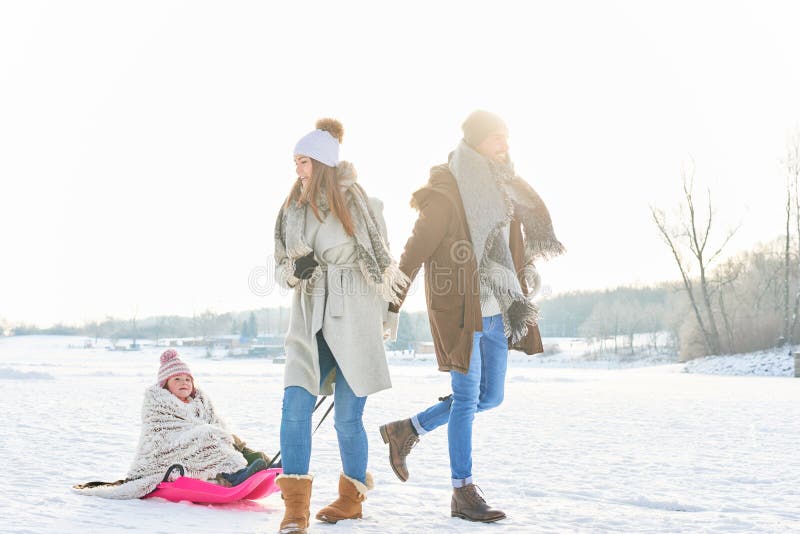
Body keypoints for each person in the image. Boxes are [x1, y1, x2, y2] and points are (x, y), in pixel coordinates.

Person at [378, 110, 564, 522]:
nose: (505, 145)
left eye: (507, 137)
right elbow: (416, 247)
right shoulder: (449, 190)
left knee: (490, 397)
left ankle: (406, 429)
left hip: (500, 309)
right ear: (477, 142)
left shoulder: (506, 188)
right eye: (497, 137)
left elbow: (510, 240)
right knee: (466, 400)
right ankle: (463, 491)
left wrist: (526, 266)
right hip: (461, 311)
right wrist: (392, 303)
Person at [272, 118, 406, 533]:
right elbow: (279, 269)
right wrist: (297, 269)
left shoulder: (365, 205)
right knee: (295, 407)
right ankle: (295, 510)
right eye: (295, 161)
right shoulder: (291, 210)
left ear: (323, 163)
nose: (297, 170)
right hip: (309, 313)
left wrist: (389, 315)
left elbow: (385, 265)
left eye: (303, 161)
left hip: (355, 316)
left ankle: (351, 500)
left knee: (348, 418)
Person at [73, 349, 271, 499]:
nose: (184, 382)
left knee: (225, 437)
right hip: (167, 451)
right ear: (165, 384)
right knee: (209, 435)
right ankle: (234, 474)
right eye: (177, 379)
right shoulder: (159, 403)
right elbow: (162, 433)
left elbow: (217, 425)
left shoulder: (200, 402)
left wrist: (224, 437)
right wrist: (205, 433)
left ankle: (260, 463)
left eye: (187, 379)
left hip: (202, 442)